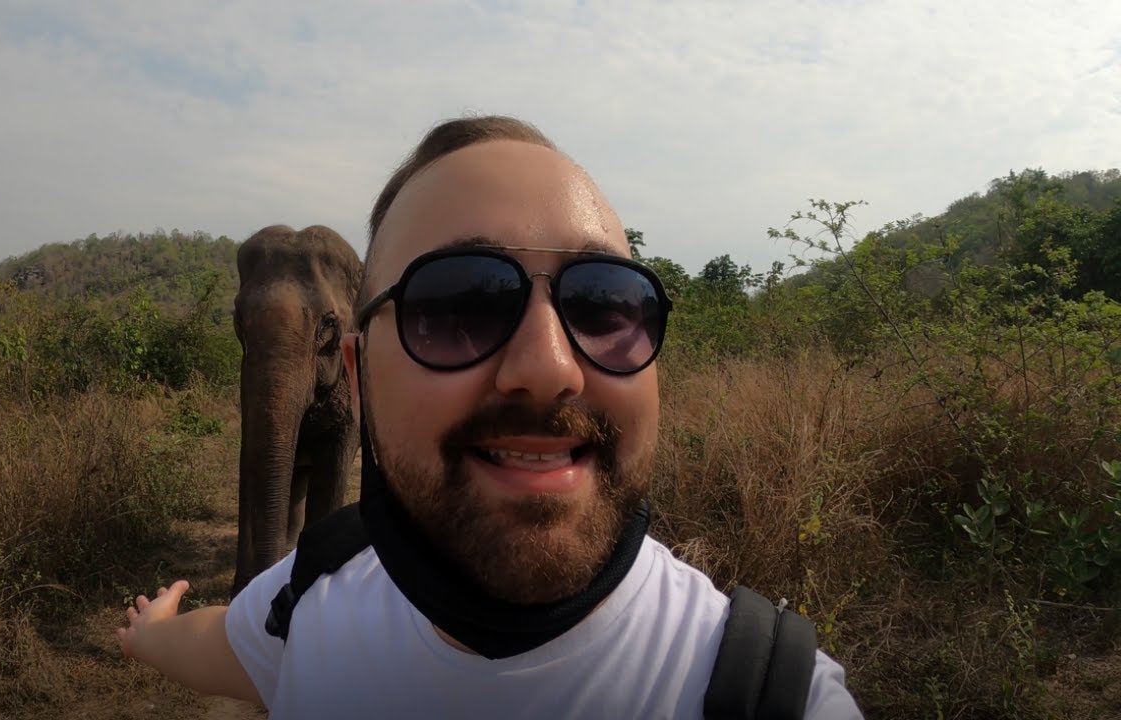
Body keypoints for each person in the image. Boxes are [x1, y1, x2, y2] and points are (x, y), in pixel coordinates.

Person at [117, 115, 864, 719]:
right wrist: (152, 634)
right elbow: (224, 643)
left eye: (604, 301)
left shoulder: (772, 692)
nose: (549, 366)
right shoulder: (308, 596)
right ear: (357, 374)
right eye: (457, 306)